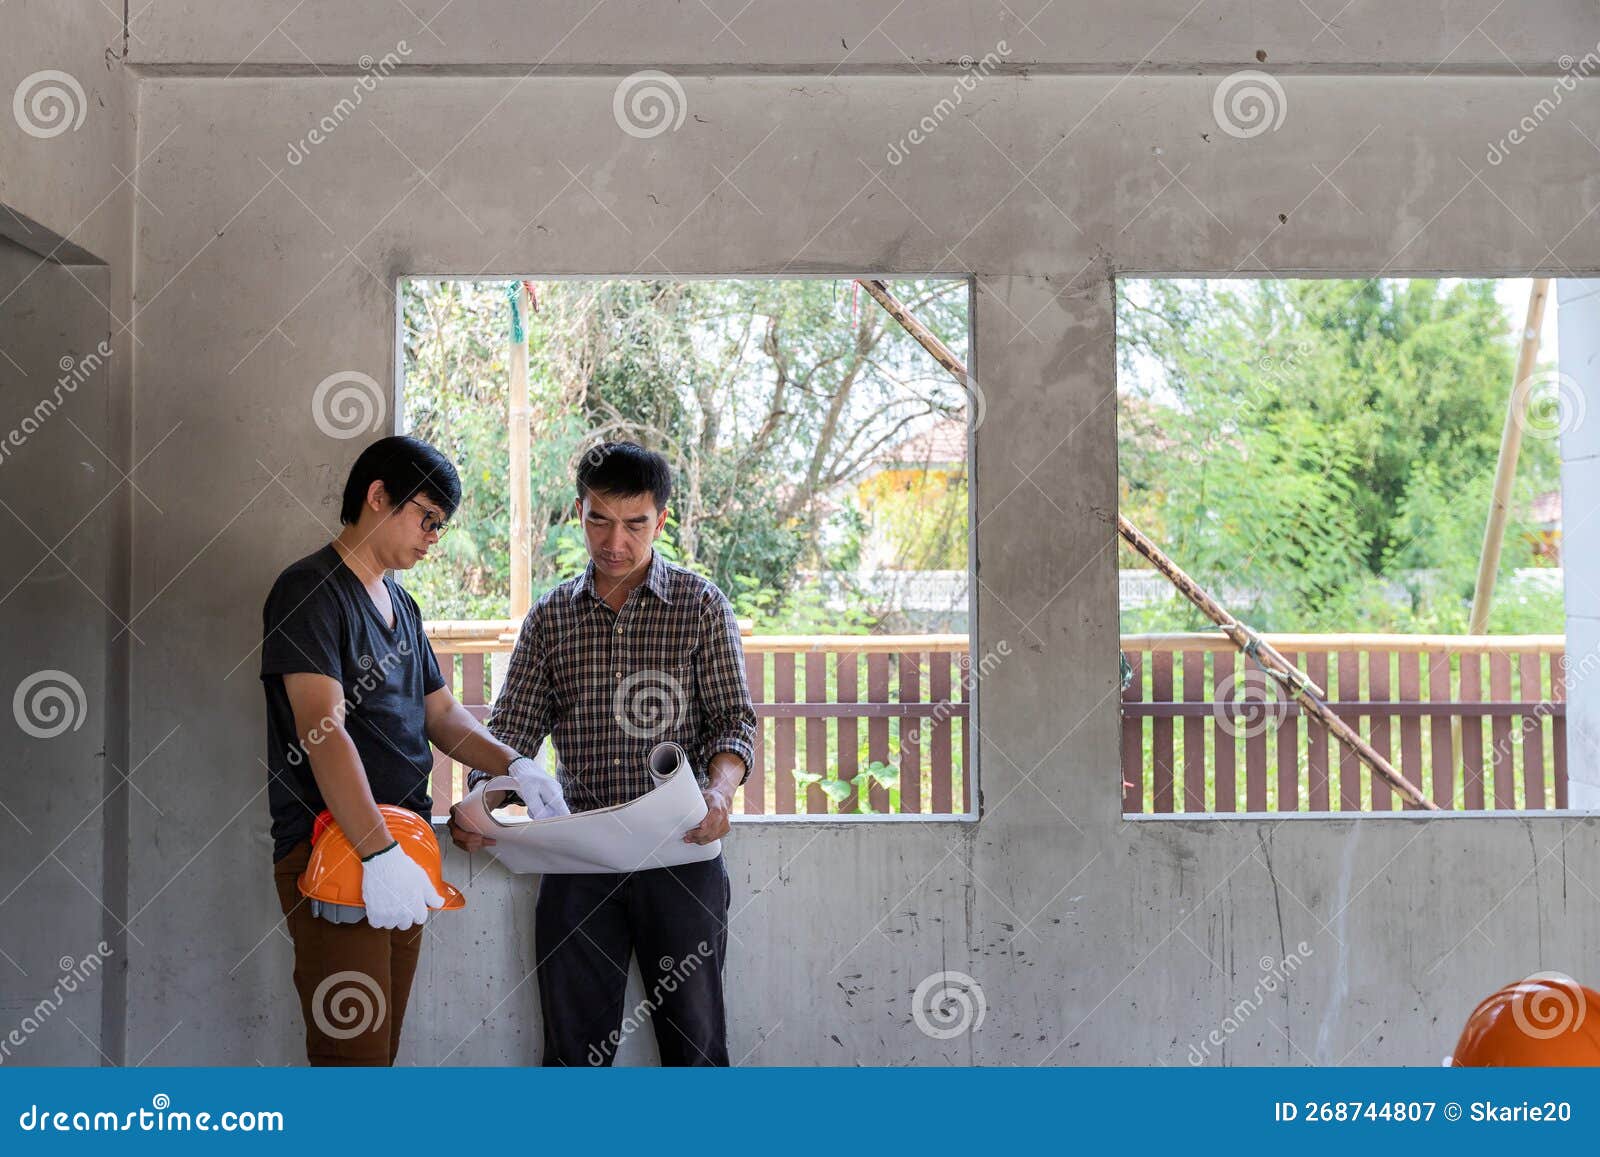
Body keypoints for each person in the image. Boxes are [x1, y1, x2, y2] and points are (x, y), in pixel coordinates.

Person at [450, 441, 756, 1066]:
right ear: (580, 512)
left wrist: (721, 793)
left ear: (660, 521)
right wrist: (481, 803)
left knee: (696, 1046)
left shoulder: (700, 607)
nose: (614, 540)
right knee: (571, 1054)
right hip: (578, 860)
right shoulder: (550, 619)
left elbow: (734, 723)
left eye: (634, 524)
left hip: (683, 853)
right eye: (599, 519)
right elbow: (512, 735)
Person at [261, 435, 561, 1065]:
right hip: (335, 847)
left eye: (440, 526)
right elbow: (324, 731)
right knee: (353, 1061)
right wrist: (375, 851)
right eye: (427, 518)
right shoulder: (311, 591)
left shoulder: (401, 602)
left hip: (405, 849)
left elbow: (442, 715)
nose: (433, 537)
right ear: (378, 497)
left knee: (382, 1051)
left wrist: (515, 765)